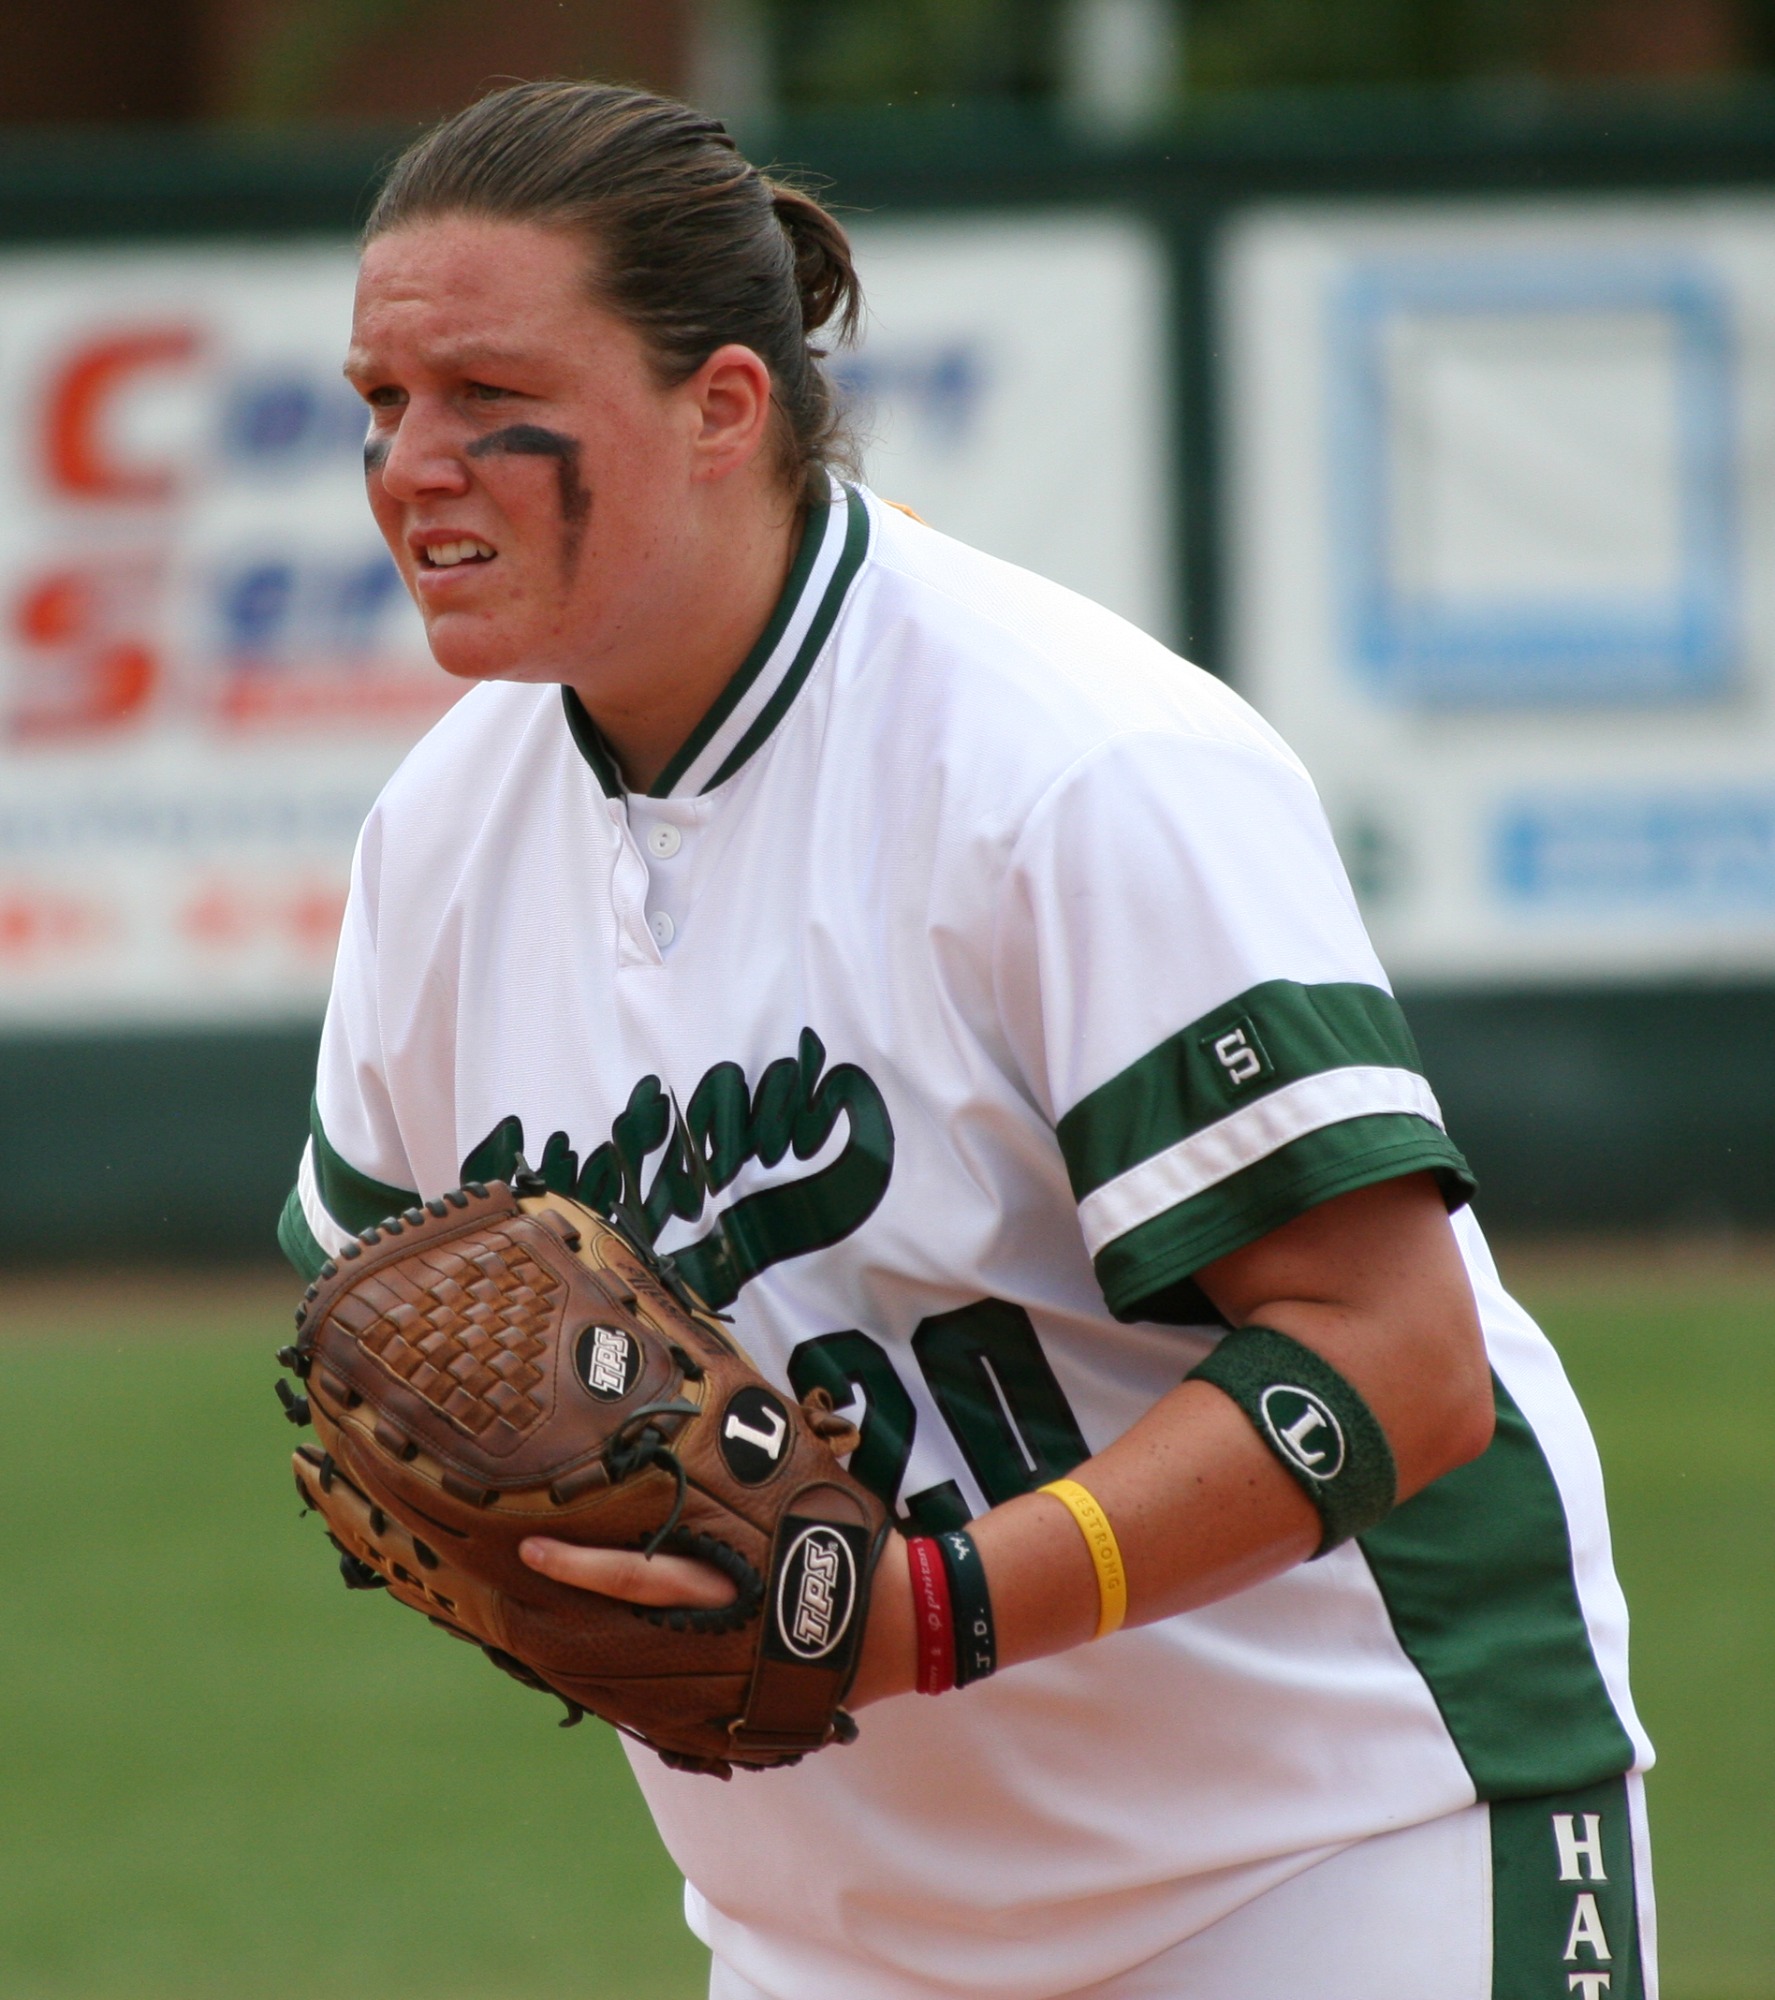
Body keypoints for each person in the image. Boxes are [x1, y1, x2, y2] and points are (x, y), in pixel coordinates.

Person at [279, 79, 1655, 2000]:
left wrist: (909, 1615)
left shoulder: (1067, 767)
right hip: (835, 1931)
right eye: (377, 404)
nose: (411, 463)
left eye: (486, 395)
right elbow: (389, 1335)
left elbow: (1400, 1365)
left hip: (1332, 1842)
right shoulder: (440, 842)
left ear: (723, 405)